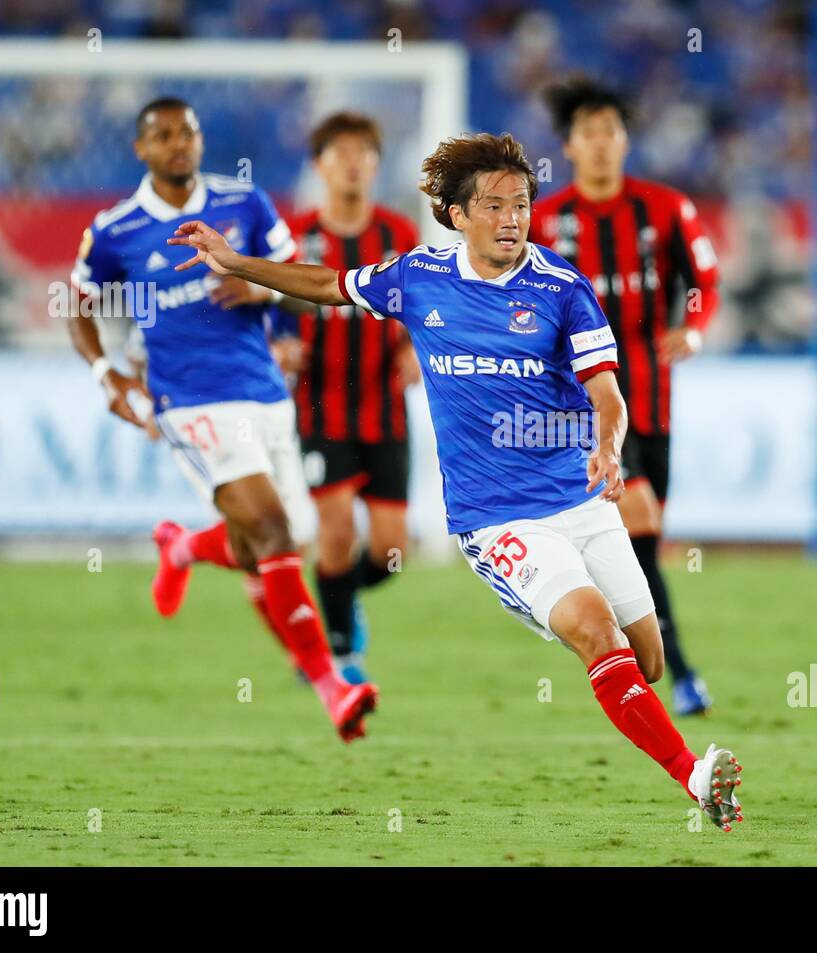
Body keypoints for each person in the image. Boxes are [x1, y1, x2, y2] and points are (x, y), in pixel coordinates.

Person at [167, 132, 743, 830]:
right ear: (456, 215)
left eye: (522, 204)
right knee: (596, 631)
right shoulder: (418, 276)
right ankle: (695, 775)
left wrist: (610, 446)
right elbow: (326, 284)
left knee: (645, 662)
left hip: (584, 501)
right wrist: (236, 262)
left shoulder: (562, 288)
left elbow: (607, 393)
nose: (511, 218)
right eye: (494, 206)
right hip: (499, 518)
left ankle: (600, 658)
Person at [66, 97, 376, 742]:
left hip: (263, 391)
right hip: (188, 401)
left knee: (270, 543)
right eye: (164, 135)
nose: (180, 143)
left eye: (190, 132)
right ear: (140, 150)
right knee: (271, 529)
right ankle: (332, 688)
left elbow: (305, 283)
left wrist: (262, 290)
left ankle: (183, 545)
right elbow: (78, 303)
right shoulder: (116, 229)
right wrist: (107, 375)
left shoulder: (245, 203)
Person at [531, 75, 720, 716]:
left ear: (626, 141)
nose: (603, 143)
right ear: (570, 145)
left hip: (654, 398)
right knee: (637, 517)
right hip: (585, 407)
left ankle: (617, 639)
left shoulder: (666, 209)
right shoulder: (549, 222)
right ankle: (680, 671)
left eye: (612, 131)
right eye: (589, 133)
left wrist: (692, 326)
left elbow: (704, 281)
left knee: (644, 537)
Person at [259, 111, 421, 684]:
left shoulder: (399, 234)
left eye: (364, 151)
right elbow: (262, 303)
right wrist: (277, 346)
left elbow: (422, 306)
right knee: (334, 532)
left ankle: (336, 597)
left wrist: (414, 351)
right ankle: (340, 652)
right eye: (340, 151)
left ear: (376, 164)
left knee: (390, 549)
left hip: (384, 408)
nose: (353, 162)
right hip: (320, 405)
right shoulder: (293, 234)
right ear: (320, 165)